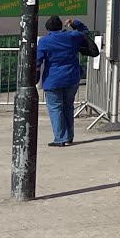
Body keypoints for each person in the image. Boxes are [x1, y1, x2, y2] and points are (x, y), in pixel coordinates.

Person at [36, 16, 91, 147]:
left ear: (47, 28)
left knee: (55, 108)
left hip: (53, 79)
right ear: (61, 26)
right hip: (72, 77)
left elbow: (37, 61)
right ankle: (69, 136)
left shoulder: (45, 41)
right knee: (68, 106)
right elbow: (85, 31)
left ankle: (60, 138)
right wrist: (74, 23)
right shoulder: (72, 36)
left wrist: (35, 77)